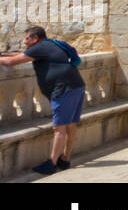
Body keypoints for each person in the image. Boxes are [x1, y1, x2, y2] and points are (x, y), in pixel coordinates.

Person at [0, 26, 86, 175]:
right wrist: (5, 54)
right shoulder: (50, 44)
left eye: (27, 38)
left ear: (35, 39)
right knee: (70, 124)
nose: (24, 41)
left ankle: (52, 163)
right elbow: (23, 55)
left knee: (59, 128)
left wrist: (4, 58)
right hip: (76, 85)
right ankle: (65, 159)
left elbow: (10, 62)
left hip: (64, 89)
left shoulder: (38, 48)